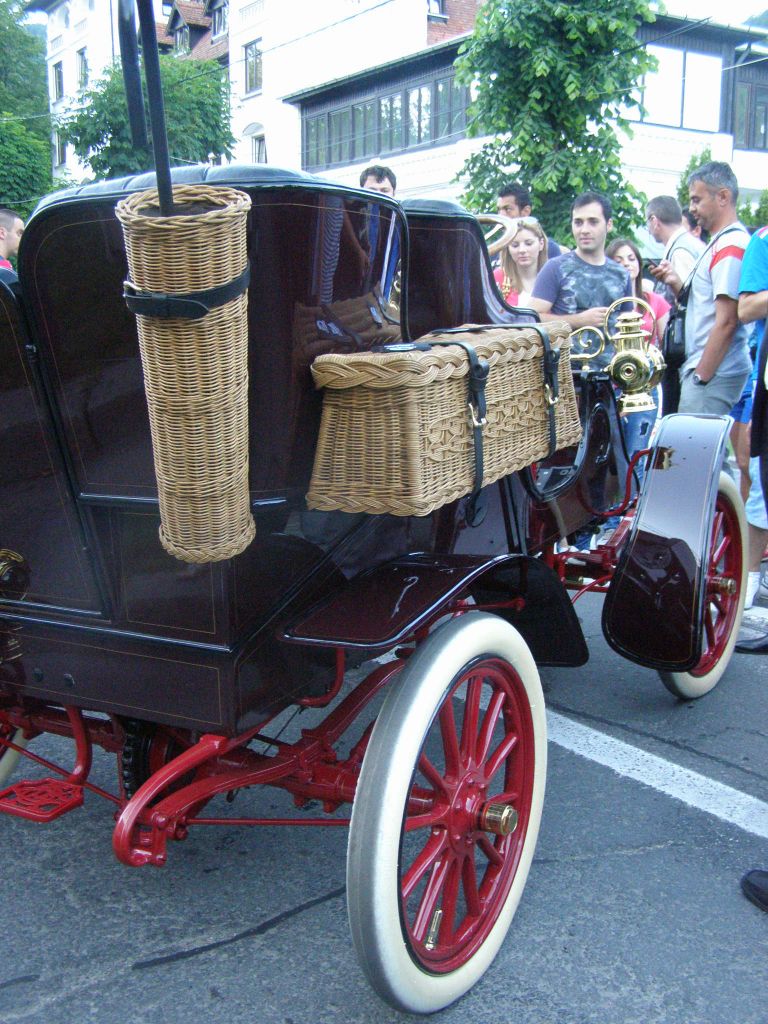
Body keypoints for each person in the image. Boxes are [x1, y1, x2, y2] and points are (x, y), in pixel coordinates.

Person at [652, 161, 751, 416]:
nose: (692, 208)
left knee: (690, 455)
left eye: (697, 200)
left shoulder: (731, 244)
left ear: (723, 197)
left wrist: (701, 377)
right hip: (711, 370)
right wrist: (677, 284)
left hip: (712, 373)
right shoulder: (721, 241)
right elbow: (706, 307)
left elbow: (727, 321)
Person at [529, 191, 632, 362]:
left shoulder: (621, 274)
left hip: (612, 377)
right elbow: (531, 319)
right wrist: (578, 320)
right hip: (566, 377)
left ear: (609, 224)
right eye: (578, 222)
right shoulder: (555, 267)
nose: (584, 230)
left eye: (593, 222)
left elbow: (628, 326)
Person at [606, 237, 669, 346]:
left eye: (631, 259)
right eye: (618, 261)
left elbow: (666, 344)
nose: (626, 263)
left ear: (639, 264)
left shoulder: (656, 301)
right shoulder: (602, 302)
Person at [496, 183, 562, 260]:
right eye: (499, 210)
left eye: (508, 209)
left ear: (526, 211)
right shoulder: (493, 249)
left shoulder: (549, 249)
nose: (501, 215)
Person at [493, 216, 548, 306]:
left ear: (541, 244)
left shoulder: (554, 277)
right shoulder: (497, 277)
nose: (522, 250)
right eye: (515, 245)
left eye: (528, 243)